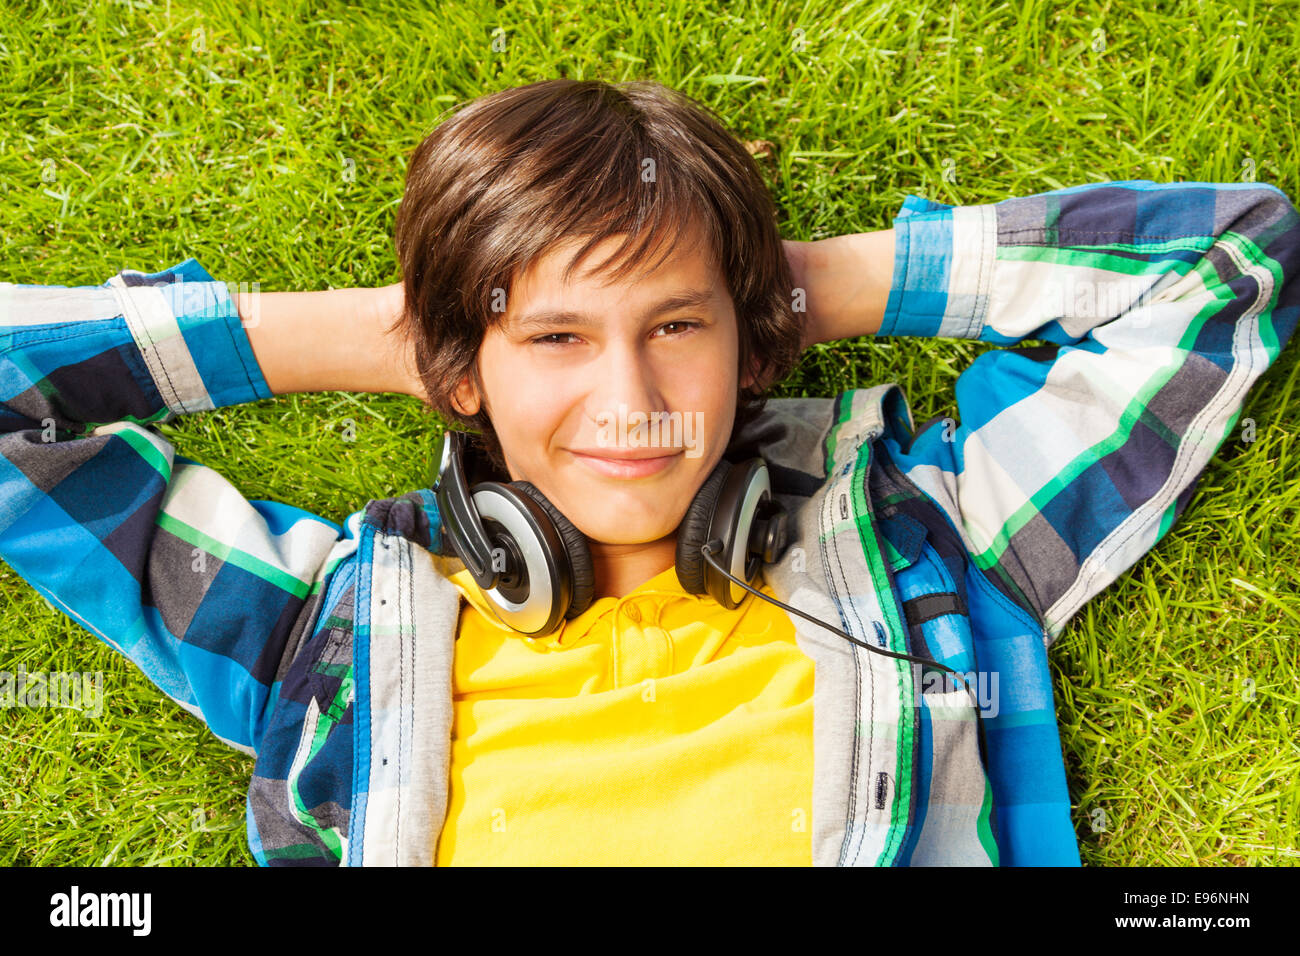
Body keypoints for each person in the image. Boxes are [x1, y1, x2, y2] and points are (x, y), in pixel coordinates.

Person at [1, 78, 1296, 866]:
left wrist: (786, 288)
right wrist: (365, 333)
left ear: (749, 348)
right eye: (555, 339)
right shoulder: (316, 637)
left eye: (675, 328)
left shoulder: (940, 548)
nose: (629, 403)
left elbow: (1228, 265)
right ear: (457, 374)